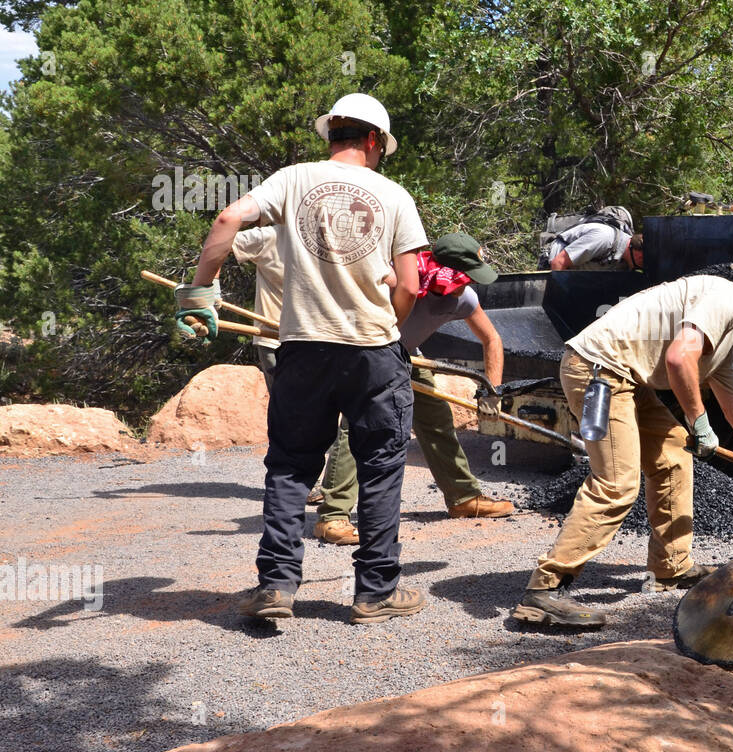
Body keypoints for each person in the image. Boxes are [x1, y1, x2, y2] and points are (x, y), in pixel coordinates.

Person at [174, 92, 430, 624]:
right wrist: (392, 330)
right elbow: (410, 284)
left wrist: (199, 293)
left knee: (290, 467)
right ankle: (376, 593)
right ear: (373, 140)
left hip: (302, 348)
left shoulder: (291, 179)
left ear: (332, 136)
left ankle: (276, 587)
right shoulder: (394, 195)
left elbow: (226, 220)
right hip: (372, 353)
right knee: (380, 468)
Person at [511, 245, 733, 629]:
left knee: (673, 454)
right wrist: (699, 422)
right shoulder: (725, 298)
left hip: (627, 378)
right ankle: (543, 592)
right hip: (597, 373)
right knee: (617, 482)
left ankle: (671, 566)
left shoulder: (728, 331)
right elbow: (679, 358)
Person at [315, 232, 516, 531]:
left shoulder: (464, 299)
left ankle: (463, 497)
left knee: (437, 423)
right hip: (367, 351)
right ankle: (333, 516)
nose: (470, 284)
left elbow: (492, 339)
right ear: (447, 271)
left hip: (408, 356)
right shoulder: (398, 283)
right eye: (466, 276)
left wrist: (492, 391)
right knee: (356, 428)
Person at [232, 224, 354, 545]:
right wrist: (206, 286)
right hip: (275, 342)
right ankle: (302, 487)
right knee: (296, 421)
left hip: (315, 340)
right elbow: (224, 240)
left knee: (329, 416)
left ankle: (315, 486)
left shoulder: (328, 244)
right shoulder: (269, 236)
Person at [547, 220, 644, 271]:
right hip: (550, 271)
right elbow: (558, 262)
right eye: (644, 263)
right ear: (640, 256)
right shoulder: (603, 238)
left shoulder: (624, 260)